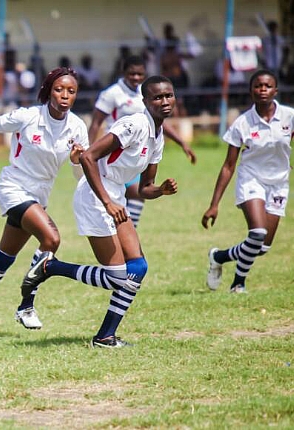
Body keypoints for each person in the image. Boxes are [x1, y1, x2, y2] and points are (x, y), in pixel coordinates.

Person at [22, 75, 180, 348]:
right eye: (157, 97)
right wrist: (107, 202)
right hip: (95, 197)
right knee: (117, 278)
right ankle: (49, 267)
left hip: (115, 195)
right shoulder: (134, 124)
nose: (164, 101)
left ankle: (105, 336)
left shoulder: (158, 135)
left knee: (138, 268)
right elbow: (88, 157)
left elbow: (145, 188)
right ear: (145, 101)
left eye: (169, 95)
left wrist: (161, 190)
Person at [0, 67, 88, 336]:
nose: (65, 95)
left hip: (40, 194)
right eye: (59, 90)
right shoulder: (29, 116)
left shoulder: (77, 127)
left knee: (4, 259)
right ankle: (26, 305)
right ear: (49, 91)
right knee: (51, 239)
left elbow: (80, 176)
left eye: (71, 91)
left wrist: (77, 161)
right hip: (14, 186)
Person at [202, 70, 294, 294]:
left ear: (275, 90)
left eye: (267, 86)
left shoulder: (290, 116)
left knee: (262, 247)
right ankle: (238, 284)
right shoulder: (242, 123)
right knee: (257, 233)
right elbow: (228, 165)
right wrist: (214, 204)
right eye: (258, 86)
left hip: (279, 183)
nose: (262, 90)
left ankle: (218, 257)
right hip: (251, 180)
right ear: (251, 91)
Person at [88, 55, 196, 228]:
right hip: (114, 153)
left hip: (137, 151)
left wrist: (182, 143)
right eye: (132, 74)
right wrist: (89, 150)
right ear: (123, 73)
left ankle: (129, 228)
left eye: (140, 74)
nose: (136, 78)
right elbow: (96, 123)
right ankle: (126, 228)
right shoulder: (112, 94)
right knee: (133, 193)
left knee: (137, 193)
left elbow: (158, 121)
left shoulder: (147, 92)